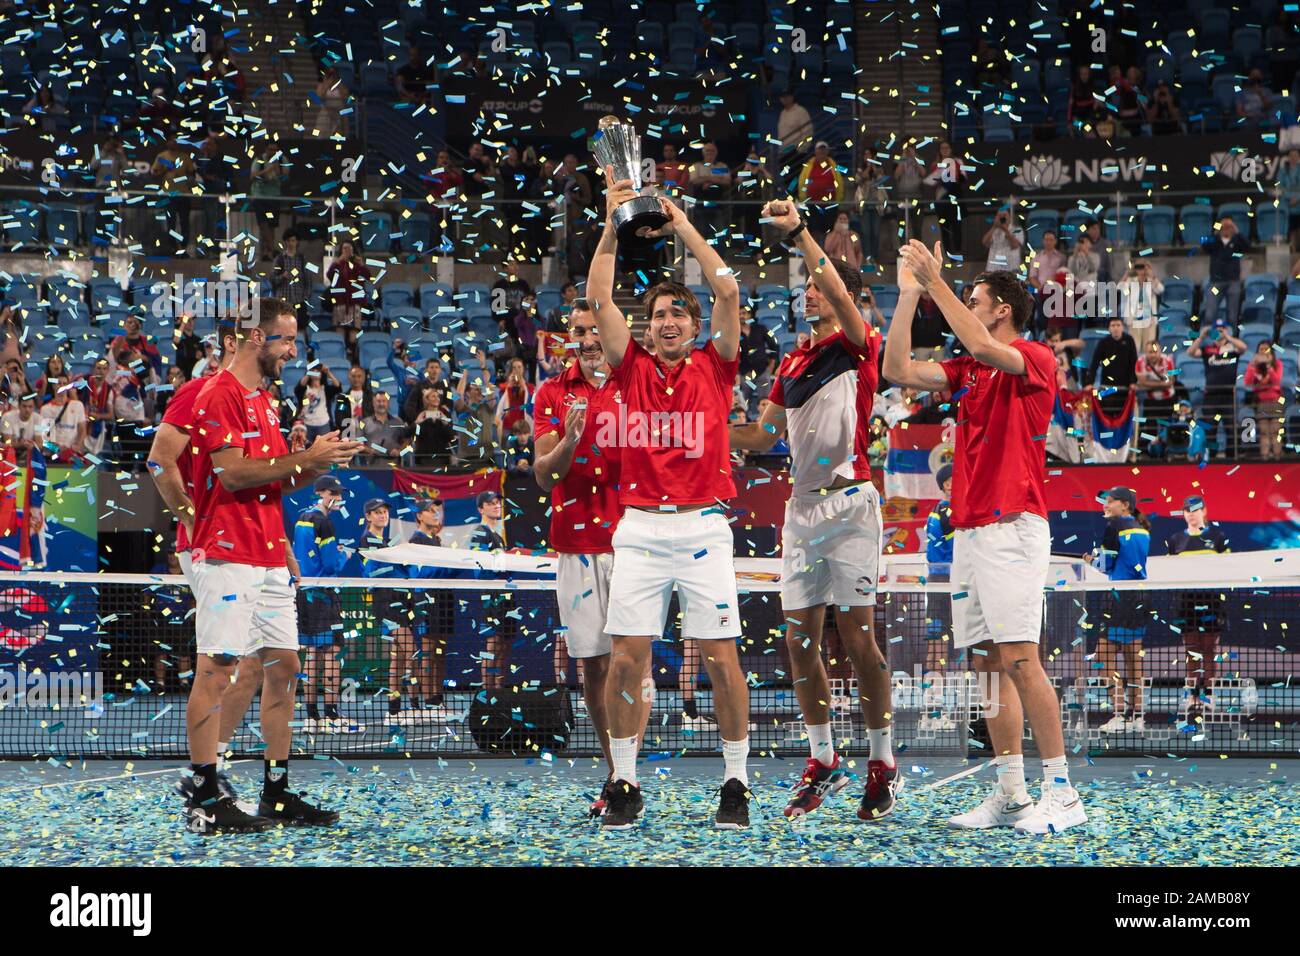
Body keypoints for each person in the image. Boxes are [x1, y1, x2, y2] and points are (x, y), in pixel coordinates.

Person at [886, 240, 1086, 834]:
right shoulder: (967, 371)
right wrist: (908, 294)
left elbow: (977, 340)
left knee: (1021, 658)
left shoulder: (1034, 357)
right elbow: (896, 369)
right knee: (986, 665)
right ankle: (1012, 794)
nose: (965, 309)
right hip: (971, 531)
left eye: (975, 301)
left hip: (1015, 525)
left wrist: (934, 277)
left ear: (1001, 308)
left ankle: (1062, 791)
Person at [590, 169, 752, 829]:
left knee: (720, 658)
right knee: (626, 656)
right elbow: (599, 295)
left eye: (678, 313)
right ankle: (624, 782)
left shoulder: (717, 364)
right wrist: (611, 222)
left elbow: (729, 288)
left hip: (705, 530)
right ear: (647, 326)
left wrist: (681, 222)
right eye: (658, 315)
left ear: (692, 323)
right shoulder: (628, 367)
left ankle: (736, 783)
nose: (668, 322)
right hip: (639, 531)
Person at [730, 199, 899, 821]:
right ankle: (823, 759)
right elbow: (756, 437)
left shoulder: (860, 347)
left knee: (860, 643)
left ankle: (882, 762)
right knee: (800, 643)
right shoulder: (792, 362)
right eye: (804, 289)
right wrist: (694, 427)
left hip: (852, 507)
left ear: (843, 296)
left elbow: (835, 286)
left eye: (818, 288)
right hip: (801, 513)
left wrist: (801, 233)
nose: (808, 295)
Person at [178, 299, 363, 832]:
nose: (293, 352)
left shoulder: (264, 402)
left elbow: (276, 480)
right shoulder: (219, 394)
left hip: (266, 554)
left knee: (284, 666)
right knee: (216, 670)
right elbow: (234, 475)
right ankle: (205, 796)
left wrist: (319, 458)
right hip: (227, 554)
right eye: (286, 341)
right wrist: (306, 460)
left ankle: (275, 793)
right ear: (257, 336)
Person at [532, 302, 653, 815]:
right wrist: (573, 441)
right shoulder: (551, 393)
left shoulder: (637, 385)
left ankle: (627, 776)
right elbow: (544, 474)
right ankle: (615, 774)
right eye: (578, 330)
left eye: (594, 329)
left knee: (634, 661)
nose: (587, 338)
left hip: (633, 539)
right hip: (577, 548)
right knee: (595, 669)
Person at [148, 322, 271, 806]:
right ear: (231, 344)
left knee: (258, 664)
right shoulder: (197, 392)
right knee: (219, 664)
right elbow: (160, 460)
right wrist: (190, 518)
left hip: (252, 546)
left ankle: (212, 765)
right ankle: (202, 780)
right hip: (214, 547)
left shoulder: (256, 400)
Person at [292, 475, 357, 734]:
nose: (338, 498)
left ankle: (311, 716)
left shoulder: (302, 518)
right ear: (320, 492)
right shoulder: (325, 522)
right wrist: (344, 555)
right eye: (334, 493)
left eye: (340, 494)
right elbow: (331, 564)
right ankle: (330, 715)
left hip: (303, 592)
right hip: (323, 593)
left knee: (311, 653)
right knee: (331, 652)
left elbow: (306, 553)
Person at [1086, 487, 1151, 734]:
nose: (1105, 505)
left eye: (1110, 502)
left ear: (1124, 505)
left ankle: (1119, 714)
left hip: (1118, 599)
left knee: (1105, 657)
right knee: (1134, 660)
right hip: (1141, 597)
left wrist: (1091, 562)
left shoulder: (1113, 528)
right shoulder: (1143, 528)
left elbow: (1106, 565)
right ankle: (1136, 716)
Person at [1165, 495, 1230, 723]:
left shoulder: (1218, 538)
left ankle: (1209, 694)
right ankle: (1193, 696)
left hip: (1212, 603)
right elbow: (1169, 572)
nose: (1191, 513)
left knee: (1210, 650)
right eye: (1187, 510)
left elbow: (1230, 569)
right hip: (1186, 604)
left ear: (1204, 511)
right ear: (1183, 514)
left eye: (1195, 509)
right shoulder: (1175, 540)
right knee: (1191, 650)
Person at [404, 500, 457, 721]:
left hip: (443, 599)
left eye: (436, 510)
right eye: (429, 510)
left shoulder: (435, 540)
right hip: (426, 601)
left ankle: (437, 698)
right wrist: (447, 564)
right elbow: (420, 574)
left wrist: (456, 565)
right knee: (428, 651)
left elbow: (443, 572)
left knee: (440, 652)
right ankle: (427, 701)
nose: (435, 514)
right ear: (419, 516)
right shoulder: (416, 540)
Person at [921, 463, 956, 733]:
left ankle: (932, 710)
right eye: (951, 480)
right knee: (940, 648)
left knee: (937, 647)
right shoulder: (947, 510)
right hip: (947, 583)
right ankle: (935, 709)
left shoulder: (936, 510)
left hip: (939, 583)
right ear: (944, 485)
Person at [467, 489, 514, 690]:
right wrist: (502, 562)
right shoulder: (480, 533)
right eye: (490, 503)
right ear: (481, 509)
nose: (496, 505)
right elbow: (479, 568)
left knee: (504, 646)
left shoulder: (498, 535)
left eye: (498, 502)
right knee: (493, 646)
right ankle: (487, 695)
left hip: (506, 597)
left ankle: (498, 693)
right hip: (491, 598)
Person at [1187, 319, 1246, 458]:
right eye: (1217, 330)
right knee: (1210, 428)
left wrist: (1228, 336)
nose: (1219, 332)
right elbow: (1190, 352)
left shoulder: (1232, 348)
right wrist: (1201, 336)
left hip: (1228, 395)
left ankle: (1231, 456)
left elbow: (1243, 348)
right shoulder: (1207, 349)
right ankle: (1210, 456)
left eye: (1221, 329)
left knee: (1231, 428)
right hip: (1211, 396)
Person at [1200, 216, 1250, 329]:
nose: (1226, 228)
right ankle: (1208, 340)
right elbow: (1203, 244)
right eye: (1224, 226)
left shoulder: (1236, 241)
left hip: (1233, 282)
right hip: (1215, 282)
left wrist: (1236, 230)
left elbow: (1248, 245)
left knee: (1232, 316)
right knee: (1210, 314)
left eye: (1229, 227)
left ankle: (1230, 340)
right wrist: (1217, 228)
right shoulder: (1214, 240)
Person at [326, 239, 370, 358]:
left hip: (355, 302)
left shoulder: (357, 264)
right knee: (340, 331)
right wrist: (337, 262)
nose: (347, 251)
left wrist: (362, 264)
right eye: (344, 248)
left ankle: (353, 357)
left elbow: (368, 276)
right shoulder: (338, 264)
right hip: (340, 302)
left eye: (349, 249)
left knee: (354, 333)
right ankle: (339, 356)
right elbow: (329, 276)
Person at [1244, 341, 1285, 460]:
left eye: (1266, 349)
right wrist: (1252, 365)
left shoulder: (1277, 364)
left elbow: (1276, 381)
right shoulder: (1254, 366)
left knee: (1276, 431)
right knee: (1264, 431)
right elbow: (1248, 382)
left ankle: (1277, 456)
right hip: (1261, 402)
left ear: (1271, 352)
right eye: (1261, 349)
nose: (1263, 351)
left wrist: (1268, 366)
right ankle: (1265, 456)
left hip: (1276, 401)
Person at [1135, 340, 1176, 455]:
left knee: (1168, 427)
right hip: (1151, 401)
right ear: (1145, 352)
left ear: (1159, 351)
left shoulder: (1168, 361)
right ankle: (1151, 453)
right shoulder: (1140, 362)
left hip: (1168, 400)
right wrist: (1162, 384)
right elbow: (1142, 383)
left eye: (1155, 352)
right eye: (1150, 352)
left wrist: (1150, 384)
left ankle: (1168, 452)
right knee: (1150, 428)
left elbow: (1171, 382)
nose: (1152, 354)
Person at [39, 379, 87, 464]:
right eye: (59, 383)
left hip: (73, 452)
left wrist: (76, 446)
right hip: (53, 454)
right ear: (53, 386)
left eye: (64, 383)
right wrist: (56, 448)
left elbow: (82, 429)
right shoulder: (45, 409)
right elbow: (44, 437)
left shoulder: (78, 405)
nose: (62, 386)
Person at [1119, 260, 1163, 351]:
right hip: (1134, 319)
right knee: (1134, 348)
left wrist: (1152, 275)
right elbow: (1119, 287)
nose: (1141, 270)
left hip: (1149, 320)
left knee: (1149, 347)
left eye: (1143, 267)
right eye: (1138, 267)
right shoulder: (1131, 281)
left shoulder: (1152, 281)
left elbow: (1160, 289)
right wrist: (1128, 272)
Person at [358, 391, 409, 464]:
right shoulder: (364, 423)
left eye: (384, 401)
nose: (381, 404)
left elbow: (407, 441)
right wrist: (371, 451)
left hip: (395, 468)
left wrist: (400, 451)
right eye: (378, 401)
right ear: (373, 404)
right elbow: (358, 444)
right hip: (371, 468)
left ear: (388, 403)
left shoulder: (398, 421)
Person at [272, 230, 309, 327]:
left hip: (299, 300)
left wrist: (305, 297)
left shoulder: (302, 259)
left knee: (300, 326)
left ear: (297, 242)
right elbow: (272, 279)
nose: (291, 243)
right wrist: (282, 277)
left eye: (293, 240)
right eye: (288, 241)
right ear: (285, 242)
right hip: (283, 301)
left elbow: (308, 280)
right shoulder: (279, 259)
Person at [982, 207, 1025, 274]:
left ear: (1009, 217)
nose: (1002, 218)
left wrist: (1005, 229)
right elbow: (985, 242)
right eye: (999, 216)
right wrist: (994, 227)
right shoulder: (994, 230)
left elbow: (1015, 246)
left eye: (1004, 215)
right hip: (993, 269)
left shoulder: (1017, 230)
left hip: (1011, 269)